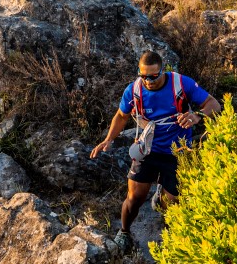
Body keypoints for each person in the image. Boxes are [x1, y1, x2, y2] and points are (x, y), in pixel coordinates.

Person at [90, 50, 221, 252]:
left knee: (172, 203)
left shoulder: (181, 84)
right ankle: (124, 233)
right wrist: (108, 140)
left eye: (153, 76)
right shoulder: (134, 90)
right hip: (147, 150)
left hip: (177, 152)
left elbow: (214, 104)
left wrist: (196, 116)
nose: (148, 81)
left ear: (162, 71)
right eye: (143, 76)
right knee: (134, 198)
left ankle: (162, 202)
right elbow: (122, 115)